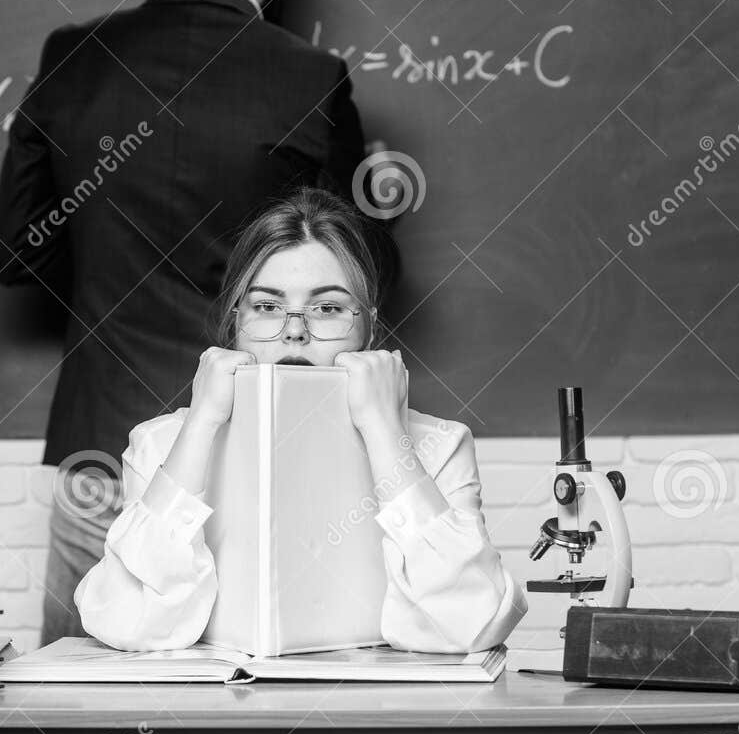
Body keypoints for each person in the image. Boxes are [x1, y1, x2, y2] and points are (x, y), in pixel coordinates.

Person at [0, 0, 374, 645]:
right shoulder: (310, 78)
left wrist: (105, 279)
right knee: (254, 700)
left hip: (101, 442)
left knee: (75, 706)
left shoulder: (72, 58)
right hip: (256, 449)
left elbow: (17, 252)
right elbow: (363, 273)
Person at [75, 188, 528, 655]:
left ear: (369, 327)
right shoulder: (160, 444)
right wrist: (202, 422)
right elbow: (128, 624)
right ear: (235, 324)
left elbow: (474, 622)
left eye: (328, 308)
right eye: (267, 307)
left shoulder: (440, 445)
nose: (295, 331)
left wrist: (385, 431)